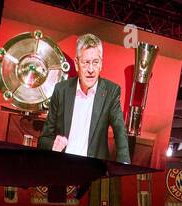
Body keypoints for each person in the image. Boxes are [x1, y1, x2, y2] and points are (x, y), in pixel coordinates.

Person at [37, 33, 130, 162]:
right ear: (76, 64)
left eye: (95, 62)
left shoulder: (111, 92)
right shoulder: (61, 90)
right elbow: (44, 139)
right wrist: (53, 145)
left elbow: (120, 133)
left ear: (101, 64)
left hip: (92, 172)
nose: (91, 69)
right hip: (62, 167)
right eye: (85, 63)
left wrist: (124, 164)